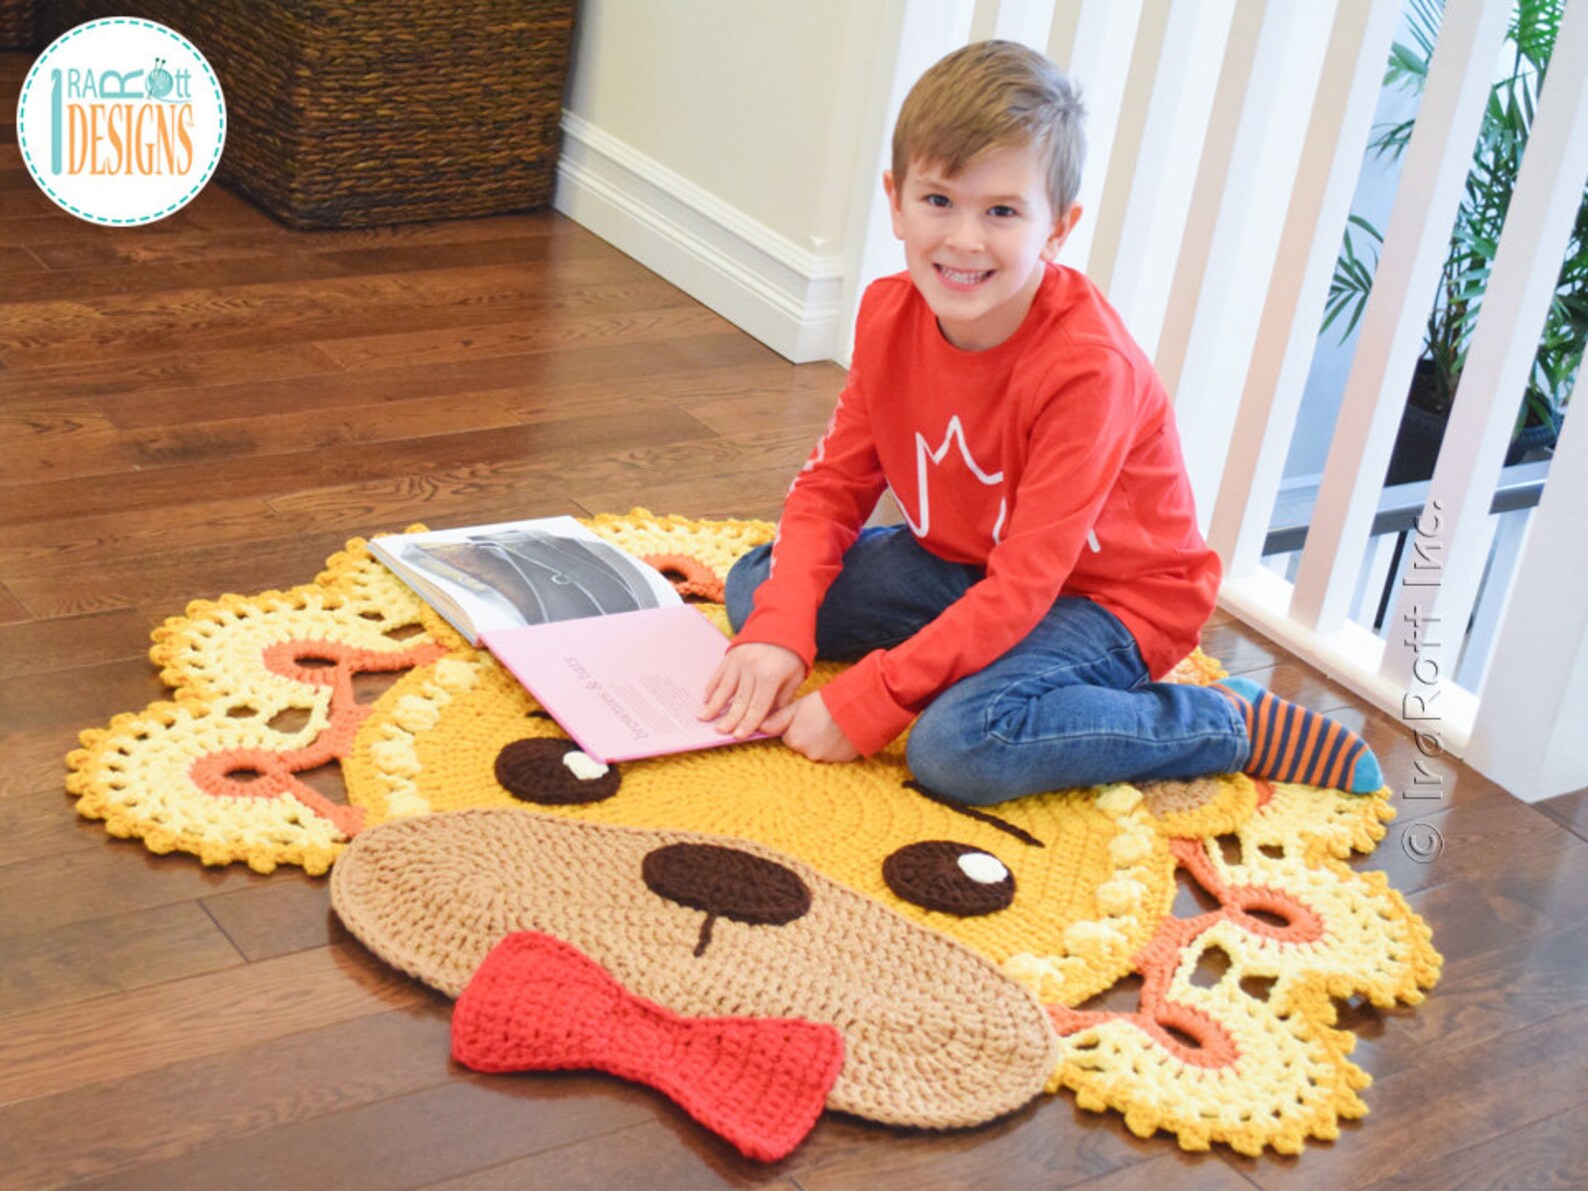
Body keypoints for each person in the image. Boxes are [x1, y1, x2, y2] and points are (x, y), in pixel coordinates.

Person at [699, 39, 1383, 805]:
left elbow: (1026, 586)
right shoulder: (888, 313)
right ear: (894, 200)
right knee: (759, 588)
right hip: (970, 566)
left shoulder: (1088, 368)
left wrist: (870, 699)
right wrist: (778, 631)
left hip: (1109, 602)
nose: (963, 239)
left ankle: (1222, 723)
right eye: (938, 201)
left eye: (1001, 212)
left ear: (1058, 227)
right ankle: (973, 657)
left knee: (958, 745)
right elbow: (832, 488)